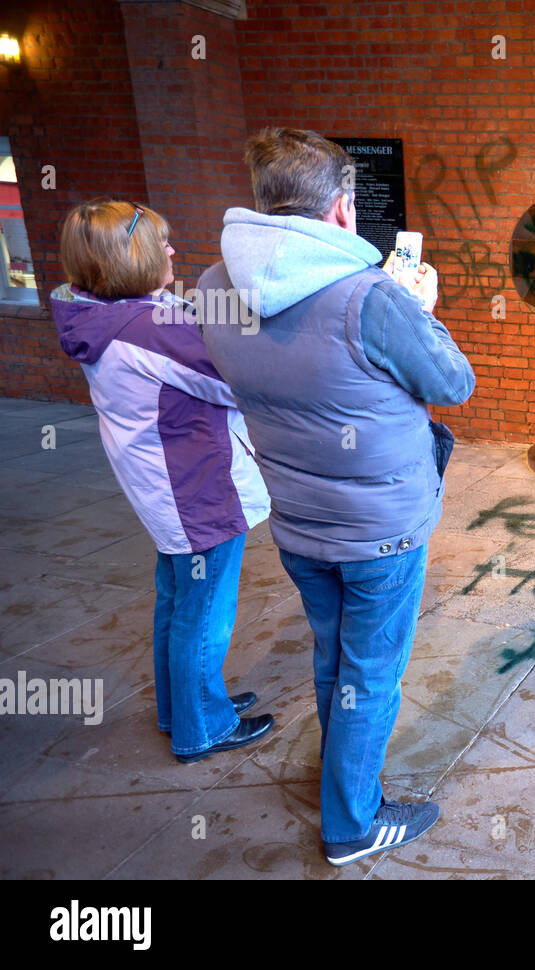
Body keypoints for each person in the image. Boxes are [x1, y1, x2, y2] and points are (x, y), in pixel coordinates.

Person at [196, 128, 476, 867]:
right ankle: (353, 821)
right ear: (344, 208)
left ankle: (339, 781)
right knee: (372, 669)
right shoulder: (371, 296)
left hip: (296, 517)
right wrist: (422, 309)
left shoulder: (212, 287)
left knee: (333, 654)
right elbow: (453, 384)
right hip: (380, 523)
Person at [50, 200, 274, 764]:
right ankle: (205, 726)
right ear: (131, 258)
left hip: (163, 488)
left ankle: (185, 705)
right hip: (197, 491)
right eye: (162, 244)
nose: (173, 251)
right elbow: (240, 381)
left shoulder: (99, 314)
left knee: (176, 600)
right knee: (205, 611)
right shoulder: (152, 327)